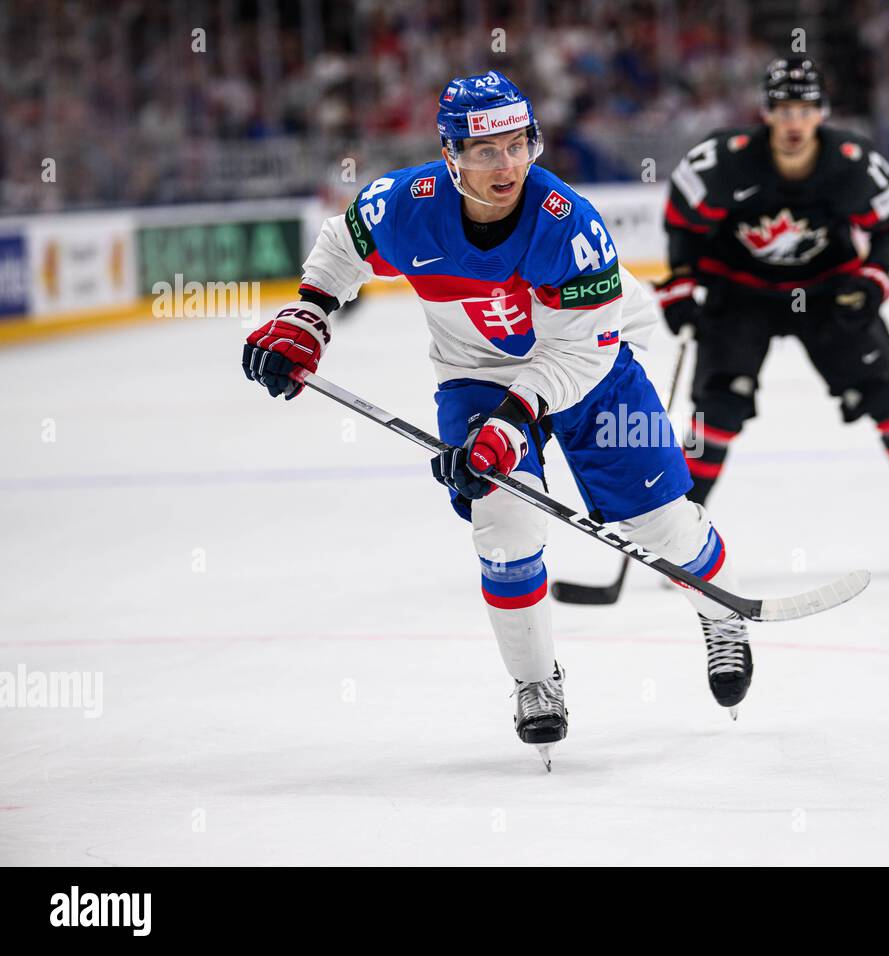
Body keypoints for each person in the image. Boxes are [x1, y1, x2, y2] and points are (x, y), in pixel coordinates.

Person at [241, 72, 753, 765]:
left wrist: (511, 427)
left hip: (591, 364)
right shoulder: (407, 204)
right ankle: (537, 682)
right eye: (485, 152)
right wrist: (310, 316)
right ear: (451, 156)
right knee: (504, 525)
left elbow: (578, 351)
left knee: (662, 523)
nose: (506, 165)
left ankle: (722, 618)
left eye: (518, 145)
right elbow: (343, 242)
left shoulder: (568, 225)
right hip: (476, 373)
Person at [657, 58, 889, 568]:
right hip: (740, 295)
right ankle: (680, 532)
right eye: (783, 109)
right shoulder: (722, 160)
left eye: (804, 110)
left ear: (822, 113)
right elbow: (683, 223)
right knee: (718, 410)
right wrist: (679, 284)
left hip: (830, 294)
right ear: (766, 113)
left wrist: (874, 279)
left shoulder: (851, 162)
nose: (793, 122)